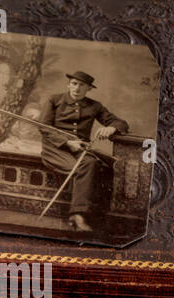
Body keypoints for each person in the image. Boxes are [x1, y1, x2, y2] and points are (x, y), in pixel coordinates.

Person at [37, 70, 129, 233]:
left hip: (80, 149)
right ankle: (78, 216)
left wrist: (111, 128)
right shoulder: (54, 100)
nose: (77, 88)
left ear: (89, 89)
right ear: (68, 85)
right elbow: (44, 128)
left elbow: (121, 123)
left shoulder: (95, 106)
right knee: (85, 166)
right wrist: (67, 142)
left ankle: (92, 215)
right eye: (74, 84)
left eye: (82, 85)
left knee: (100, 165)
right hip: (56, 148)